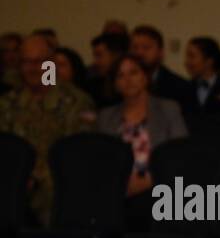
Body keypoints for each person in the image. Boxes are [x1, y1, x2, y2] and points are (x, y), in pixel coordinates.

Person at [0, 34, 92, 222]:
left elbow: (77, 153)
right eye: (26, 62)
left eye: (39, 61)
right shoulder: (8, 103)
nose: (33, 68)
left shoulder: (76, 102)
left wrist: (36, 177)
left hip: (59, 188)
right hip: (13, 185)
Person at [96, 53, 188, 220]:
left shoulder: (168, 108)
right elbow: (102, 161)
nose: (128, 80)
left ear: (145, 77)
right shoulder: (106, 116)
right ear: (115, 84)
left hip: (160, 188)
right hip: (119, 192)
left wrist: (150, 180)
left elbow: (181, 154)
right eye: (121, 75)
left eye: (133, 73)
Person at [129, 25, 192, 109]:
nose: (140, 53)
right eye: (135, 48)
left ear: (160, 52)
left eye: (146, 48)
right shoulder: (123, 83)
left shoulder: (180, 87)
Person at [184, 36, 220, 119]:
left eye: (192, 56)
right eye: (187, 56)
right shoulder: (184, 88)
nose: (187, 62)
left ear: (209, 61)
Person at [88, 31, 128, 106]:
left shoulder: (130, 85)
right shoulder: (93, 86)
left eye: (99, 55)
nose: (95, 62)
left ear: (116, 55)